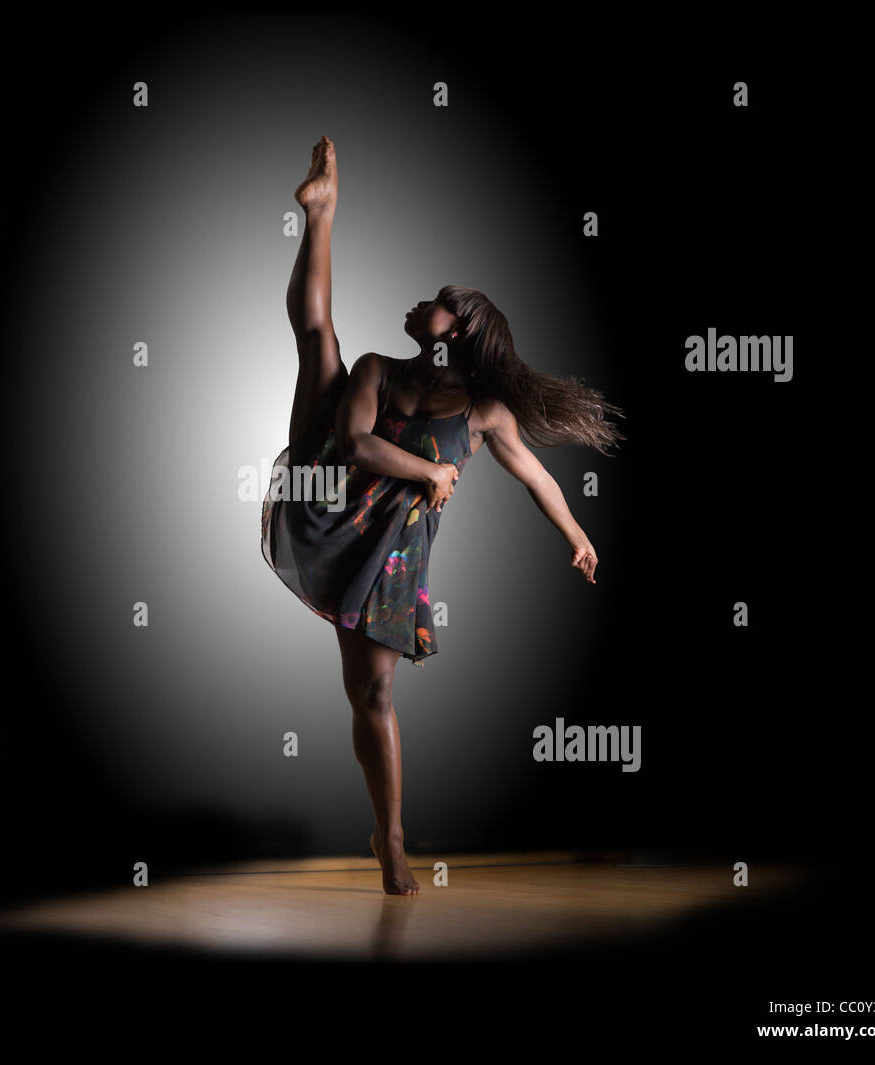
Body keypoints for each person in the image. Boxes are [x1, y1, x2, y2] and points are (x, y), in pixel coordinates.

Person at [261, 136, 625, 894]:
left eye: (435, 300)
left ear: (455, 327)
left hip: (385, 558)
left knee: (374, 693)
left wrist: (579, 533)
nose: (419, 302)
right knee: (318, 341)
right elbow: (357, 445)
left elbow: (535, 476)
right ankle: (322, 213)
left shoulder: (485, 411)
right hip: (324, 499)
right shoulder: (376, 370)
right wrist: (431, 468)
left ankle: (388, 837)